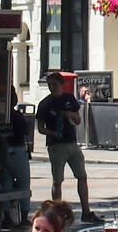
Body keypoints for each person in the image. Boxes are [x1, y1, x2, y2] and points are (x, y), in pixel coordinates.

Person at [36, 71, 100, 222]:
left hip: (71, 142)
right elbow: (40, 128)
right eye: (50, 85)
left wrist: (69, 115)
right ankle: (56, 212)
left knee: (82, 175)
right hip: (56, 145)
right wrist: (52, 132)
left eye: (55, 84)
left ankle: (86, 211)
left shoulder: (69, 99)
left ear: (61, 85)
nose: (52, 87)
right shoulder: (45, 104)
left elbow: (78, 120)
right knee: (57, 180)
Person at [6, 87, 32, 220]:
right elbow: (26, 132)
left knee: (6, 183)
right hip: (16, 149)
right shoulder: (17, 117)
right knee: (23, 183)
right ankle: (24, 214)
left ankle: (6, 216)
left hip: (2, 151)